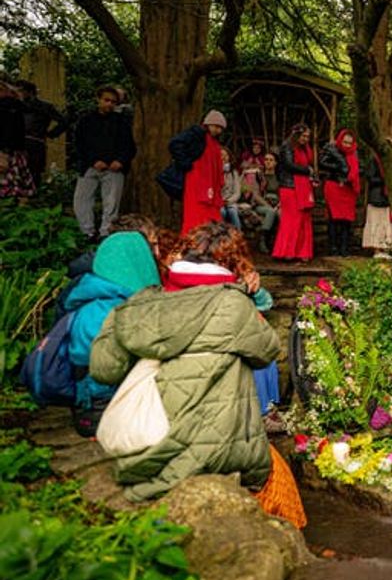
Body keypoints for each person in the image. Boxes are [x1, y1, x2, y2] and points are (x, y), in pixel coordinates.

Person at [89, 222, 281, 503]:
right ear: (233, 265)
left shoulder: (141, 303)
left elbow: (103, 369)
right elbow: (267, 351)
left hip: (145, 443)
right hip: (219, 449)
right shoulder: (233, 305)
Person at [62, 231, 161, 436]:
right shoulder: (105, 310)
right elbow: (98, 368)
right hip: (100, 406)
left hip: (98, 401)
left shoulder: (94, 299)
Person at [72, 85, 136, 241]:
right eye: (106, 100)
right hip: (89, 166)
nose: (109, 104)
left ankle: (106, 233)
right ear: (98, 99)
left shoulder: (121, 122)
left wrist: (120, 161)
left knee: (112, 203)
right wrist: (93, 161)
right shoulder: (85, 121)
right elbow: (79, 144)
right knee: (81, 200)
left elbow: (130, 146)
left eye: (113, 102)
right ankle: (86, 232)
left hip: (114, 168)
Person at [272, 123, 316, 261]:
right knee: (291, 220)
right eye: (303, 136)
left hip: (302, 187)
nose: (305, 139)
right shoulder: (287, 146)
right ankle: (286, 252)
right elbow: (288, 165)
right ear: (296, 135)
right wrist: (307, 170)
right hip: (290, 187)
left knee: (303, 220)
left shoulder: (304, 149)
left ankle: (301, 252)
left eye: (307, 136)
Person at [17, 79, 67, 185]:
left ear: (29, 91)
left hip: (36, 143)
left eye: (21, 90)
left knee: (34, 173)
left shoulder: (45, 106)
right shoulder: (17, 106)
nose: (19, 93)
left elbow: (63, 122)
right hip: (18, 143)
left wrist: (51, 134)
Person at [322, 128, 360, 256]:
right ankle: (333, 248)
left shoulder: (354, 153)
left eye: (350, 142)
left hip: (348, 189)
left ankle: (344, 248)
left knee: (346, 221)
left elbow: (357, 169)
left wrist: (351, 176)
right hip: (334, 185)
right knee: (334, 219)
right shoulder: (333, 150)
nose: (347, 145)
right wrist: (338, 167)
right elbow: (323, 163)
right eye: (345, 142)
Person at [362, 153, 392, 259]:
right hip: (376, 196)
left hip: (387, 198)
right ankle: (376, 248)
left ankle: (386, 247)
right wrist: (384, 179)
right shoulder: (374, 160)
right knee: (375, 222)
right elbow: (371, 178)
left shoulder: (391, 162)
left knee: (386, 222)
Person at [220, 147, 243, 230]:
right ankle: (221, 237)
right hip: (218, 201)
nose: (223, 157)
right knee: (222, 212)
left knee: (232, 211)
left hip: (230, 201)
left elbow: (237, 192)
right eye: (221, 155)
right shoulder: (213, 171)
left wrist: (229, 201)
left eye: (226, 155)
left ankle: (238, 236)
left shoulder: (234, 172)